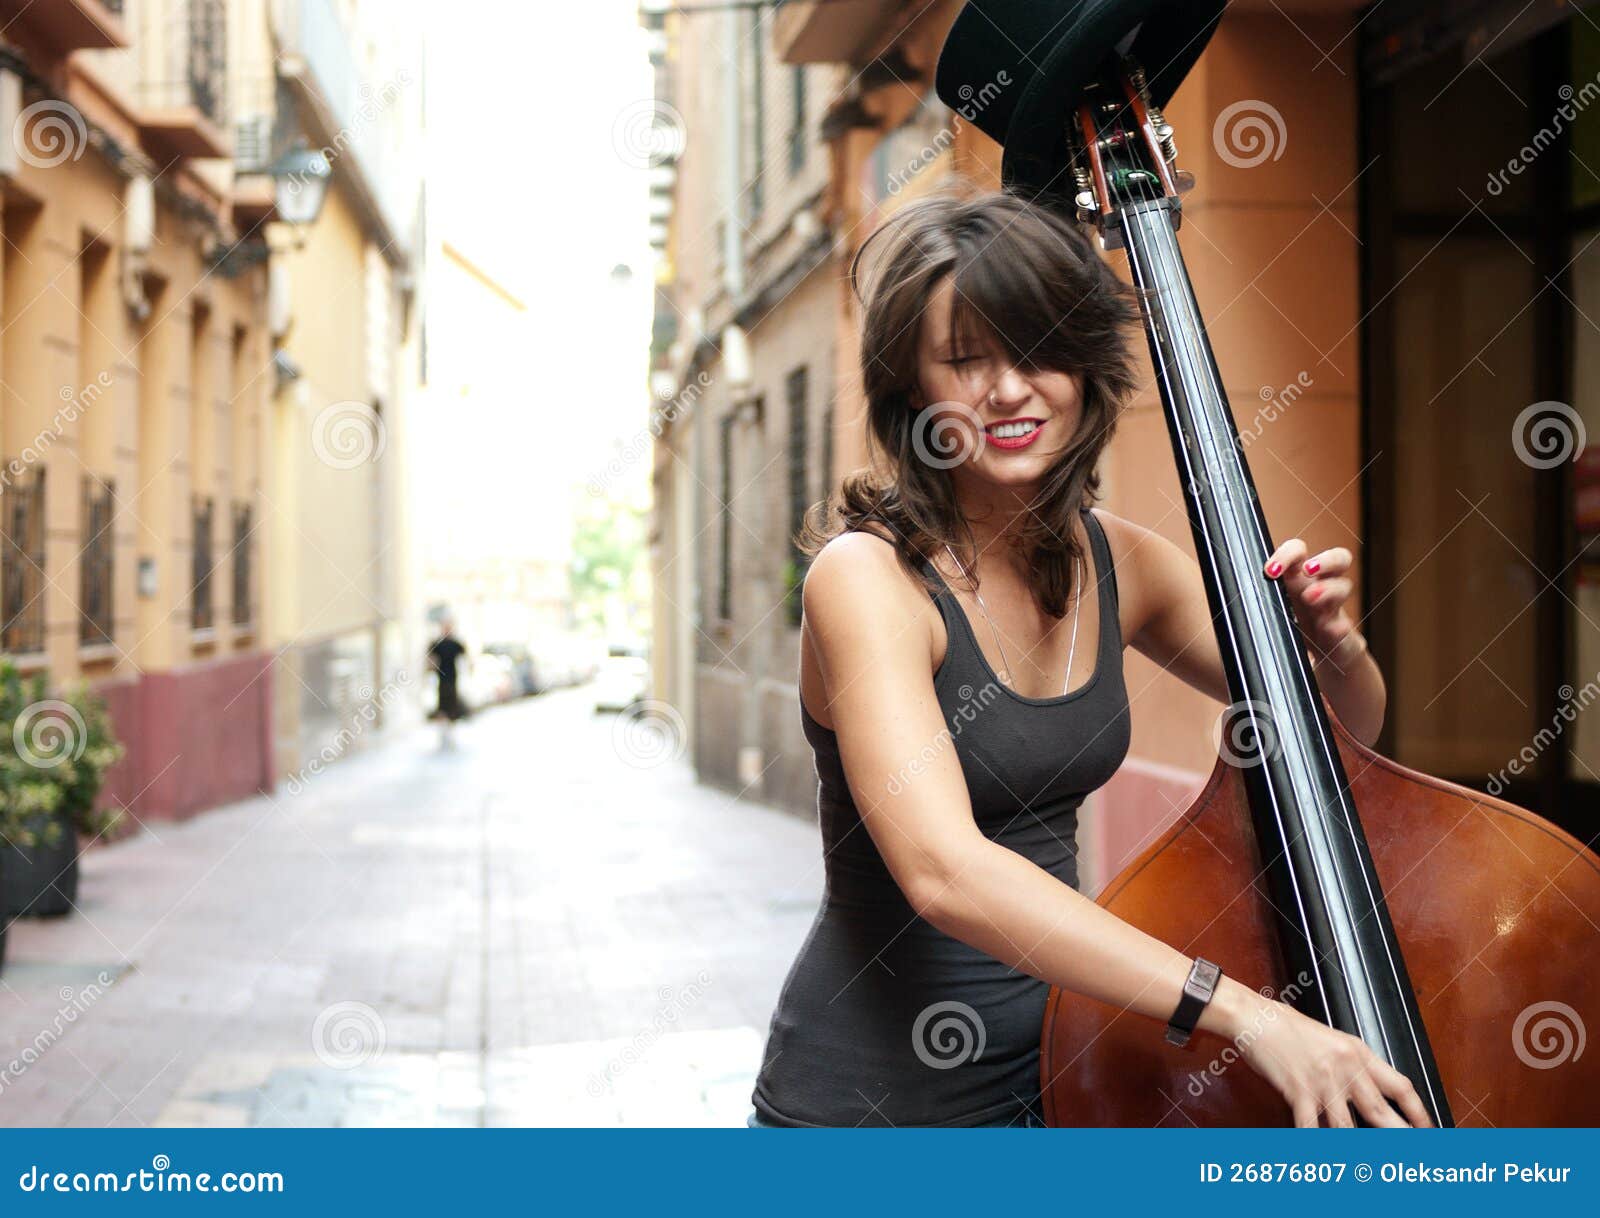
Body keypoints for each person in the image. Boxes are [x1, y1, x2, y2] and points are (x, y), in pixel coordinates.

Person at [747, 189, 1431, 1130]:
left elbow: (1334, 745)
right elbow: (944, 870)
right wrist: (1242, 1014)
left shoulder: (1120, 560)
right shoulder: (867, 579)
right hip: (869, 1109)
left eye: (1036, 350)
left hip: (1067, 1079)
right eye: (963, 360)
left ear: (1084, 368)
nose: (1008, 390)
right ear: (914, 392)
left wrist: (1333, 645)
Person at [426, 617, 469, 741]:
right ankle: (442, 731)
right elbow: (430, 657)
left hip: (453, 679)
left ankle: (450, 731)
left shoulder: (455, 643)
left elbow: (465, 655)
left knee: (452, 708)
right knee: (442, 706)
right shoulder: (437, 643)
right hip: (441, 680)